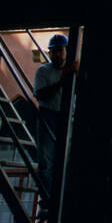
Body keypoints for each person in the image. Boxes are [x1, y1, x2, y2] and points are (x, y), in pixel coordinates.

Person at [32, 32, 79, 206]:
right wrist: (63, 79)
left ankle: (62, 196)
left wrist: (74, 75)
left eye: (60, 50)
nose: (57, 54)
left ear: (66, 51)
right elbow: (41, 94)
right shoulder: (43, 70)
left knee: (66, 157)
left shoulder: (73, 72)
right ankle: (46, 197)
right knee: (46, 157)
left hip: (66, 116)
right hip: (48, 115)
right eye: (53, 51)